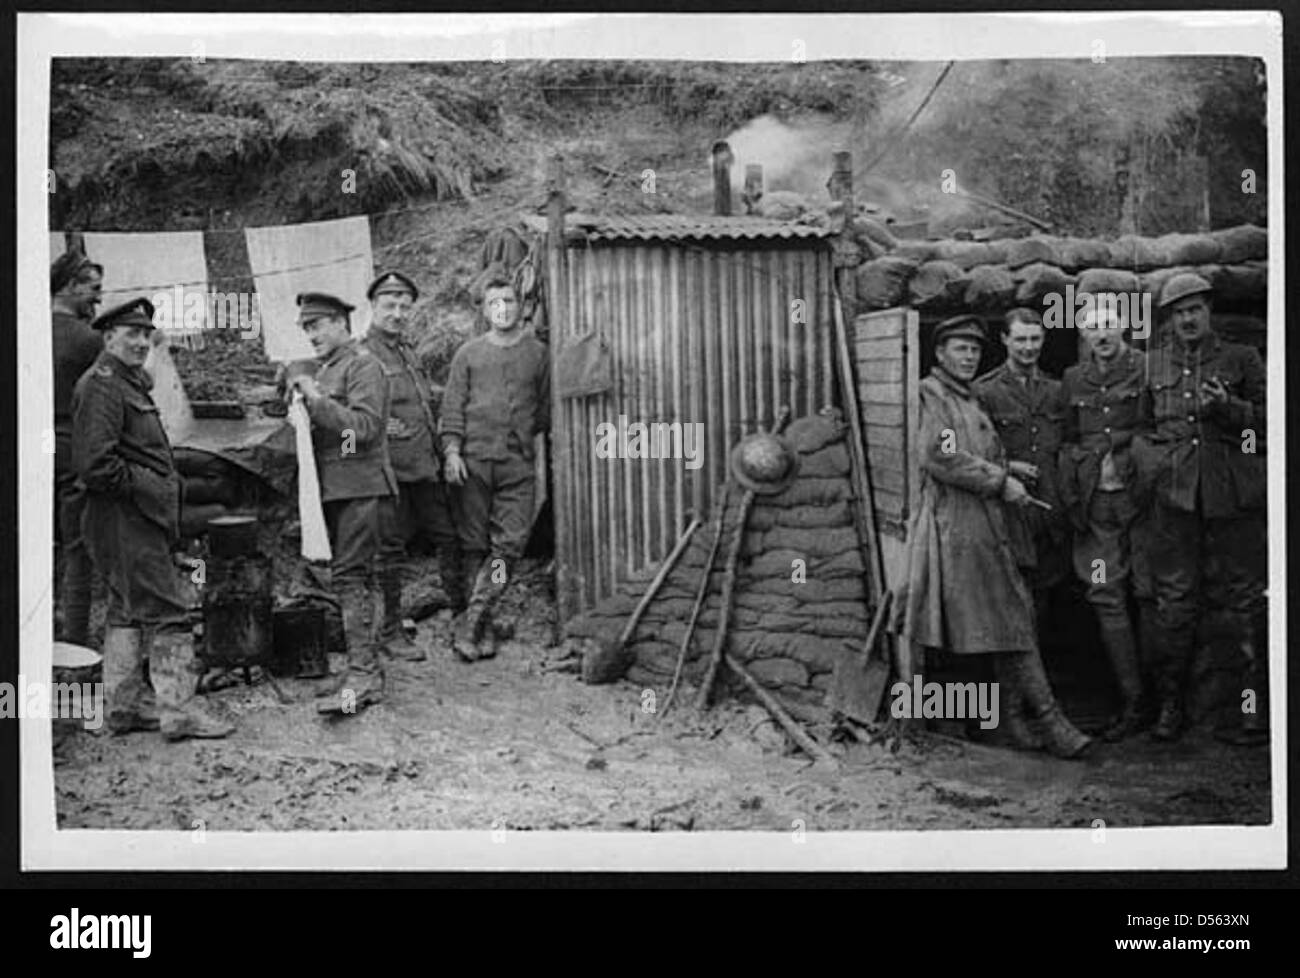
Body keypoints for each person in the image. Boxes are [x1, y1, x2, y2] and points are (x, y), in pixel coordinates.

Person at [894, 314, 1093, 758]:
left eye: (973, 350)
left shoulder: (965, 396)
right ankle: (1047, 722)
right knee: (1008, 617)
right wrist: (1001, 482)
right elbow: (939, 455)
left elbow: (972, 451)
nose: (968, 356)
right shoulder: (933, 395)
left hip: (984, 522)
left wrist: (1006, 469)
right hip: (958, 526)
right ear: (940, 353)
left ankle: (1010, 721)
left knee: (1006, 618)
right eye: (959, 348)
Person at [72, 298, 233, 741]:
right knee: (170, 613)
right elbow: (95, 465)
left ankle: (121, 708)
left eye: (146, 334)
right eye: (132, 333)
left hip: (130, 518)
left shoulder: (127, 382)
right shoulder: (103, 384)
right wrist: (147, 488)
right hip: (125, 519)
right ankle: (178, 712)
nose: (142, 341)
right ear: (108, 337)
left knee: (126, 610)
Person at [1132, 273, 1267, 744]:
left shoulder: (1241, 358)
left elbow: (1269, 429)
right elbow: (1141, 429)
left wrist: (1230, 410)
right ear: (1168, 319)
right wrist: (1154, 469)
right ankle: (1171, 709)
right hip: (1173, 498)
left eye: (1194, 309)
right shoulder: (1152, 364)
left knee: (1247, 600)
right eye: (1178, 312)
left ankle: (1253, 713)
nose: (1187, 319)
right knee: (1174, 602)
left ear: (1209, 311)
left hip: (1231, 495)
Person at [287, 292, 398, 716]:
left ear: (339, 322)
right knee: (347, 578)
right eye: (306, 328)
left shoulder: (364, 365)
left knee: (353, 579)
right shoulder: (333, 367)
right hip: (336, 490)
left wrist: (317, 401)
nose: (311, 335)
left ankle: (364, 677)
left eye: (316, 326)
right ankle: (360, 666)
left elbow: (362, 431)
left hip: (361, 488)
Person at [440, 273, 550, 662]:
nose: (502, 309)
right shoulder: (467, 354)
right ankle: (482, 627)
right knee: (474, 545)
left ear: (521, 307)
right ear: (485, 311)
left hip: (517, 464)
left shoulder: (538, 354)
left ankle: (472, 622)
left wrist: (531, 458)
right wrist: (452, 452)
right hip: (472, 464)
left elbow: (545, 411)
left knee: (509, 547)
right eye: (493, 303)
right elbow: (452, 407)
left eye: (509, 300)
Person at [1059, 305, 1153, 741]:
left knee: (1153, 592)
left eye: (1108, 325)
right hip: (1098, 508)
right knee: (1104, 593)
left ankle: (1167, 702)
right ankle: (1131, 702)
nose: (1101, 334)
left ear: (1123, 328)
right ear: (1082, 333)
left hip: (1143, 503)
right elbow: (1069, 437)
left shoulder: (1146, 368)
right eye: (1092, 327)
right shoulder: (1074, 378)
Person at [361, 271, 464, 662]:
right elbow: (351, 410)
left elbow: (420, 402)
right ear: (374, 307)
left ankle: (461, 617)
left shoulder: (407, 352)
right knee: (388, 551)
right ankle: (389, 631)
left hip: (424, 467)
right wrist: (376, 424)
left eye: (404, 306)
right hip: (388, 471)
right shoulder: (363, 354)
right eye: (390, 305)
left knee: (449, 537)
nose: (398, 313)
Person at [973, 307, 1070, 632]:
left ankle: (1036, 669)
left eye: (1035, 339)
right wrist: (1007, 466)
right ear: (1004, 340)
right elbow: (972, 450)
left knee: (1046, 592)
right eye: (1020, 340)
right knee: (1010, 594)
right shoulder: (983, 391)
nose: (1029, 347)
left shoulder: (1057, 390)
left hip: (1049, 509)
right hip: (1008, 509)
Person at [52, 251, 104, 646]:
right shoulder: (88, 340)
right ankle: (72, 645)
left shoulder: (25, 326)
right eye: (92, 289)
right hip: (71, 449)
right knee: (76, 549)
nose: (97, 300)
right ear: (70, 286)